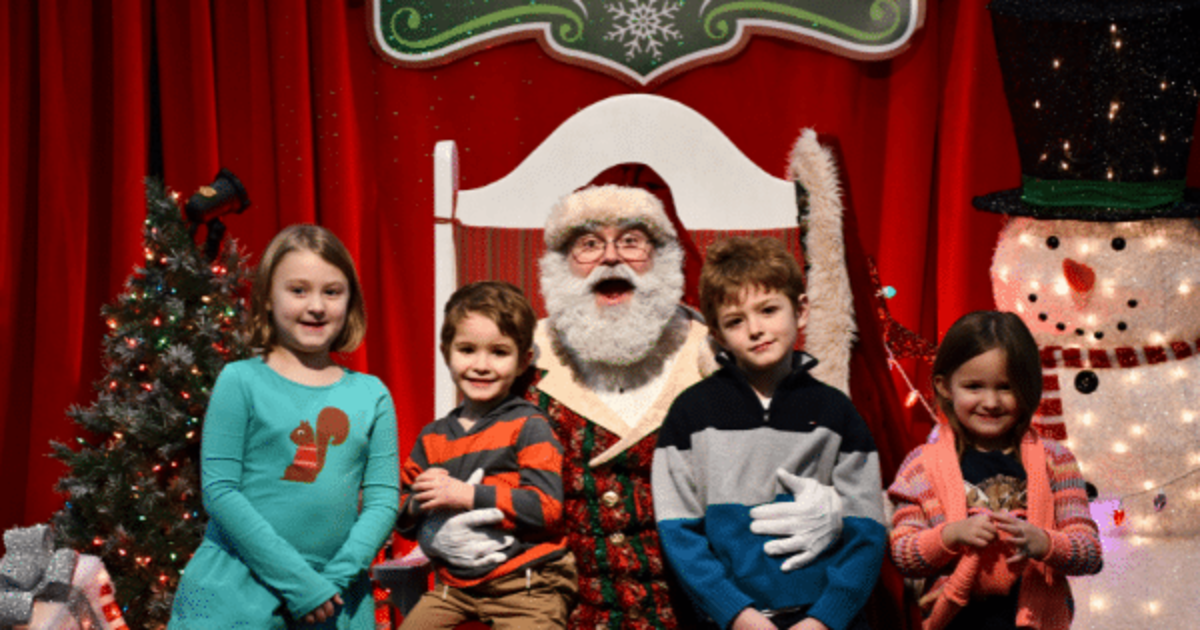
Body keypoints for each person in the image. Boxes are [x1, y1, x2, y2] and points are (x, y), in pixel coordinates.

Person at [423, 181, 844, 629]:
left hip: (703, 613)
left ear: (663, 256)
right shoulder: (519, 357)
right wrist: (433, 533)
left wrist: (834, 505)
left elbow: (800, 443)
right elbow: (463, 456)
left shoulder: (721, 349)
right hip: (559, 613)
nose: (610, 258)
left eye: (631, 240)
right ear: (560, 263)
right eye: (588, 243)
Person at [169, 225, 399, 629]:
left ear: (351, 301)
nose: (317, 306)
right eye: (298, 290)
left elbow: (382, 502)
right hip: (238, 595)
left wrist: (331, 582)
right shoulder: (240, 381)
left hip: (335, 599)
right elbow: (220, 492)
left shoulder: (372, 394)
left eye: (332, 292)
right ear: (267, 299)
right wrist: (300, 584)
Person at [652, 236, 886, 630]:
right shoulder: (690, 414)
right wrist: (737, 614)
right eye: (735, 321)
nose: (756, 329)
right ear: (717, 334)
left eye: (768, 310)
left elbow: (867, 529)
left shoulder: (837, 412)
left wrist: (825, 618)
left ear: (801, 310)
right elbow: (678, 531)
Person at [887, 311, 1103, 630]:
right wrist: (951, 534)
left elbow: (1090, 552)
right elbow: (903, 555)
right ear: (944, 386)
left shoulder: (1056, 461)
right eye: (974, 386)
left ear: (1028, 388)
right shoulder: (921, 467)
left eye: (1005, 387)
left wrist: (1045, 543)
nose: (990, 402)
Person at [397, 281, 576, 629]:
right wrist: (420, 500)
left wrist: (466, 494)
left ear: (523, 361)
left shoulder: (529, 426)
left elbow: (547, 508)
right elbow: (402, 516)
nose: (481, 365)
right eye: (467, 350)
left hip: (528, 585)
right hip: (455, 588)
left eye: (499, 352)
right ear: (446, 352)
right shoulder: (432, 437)